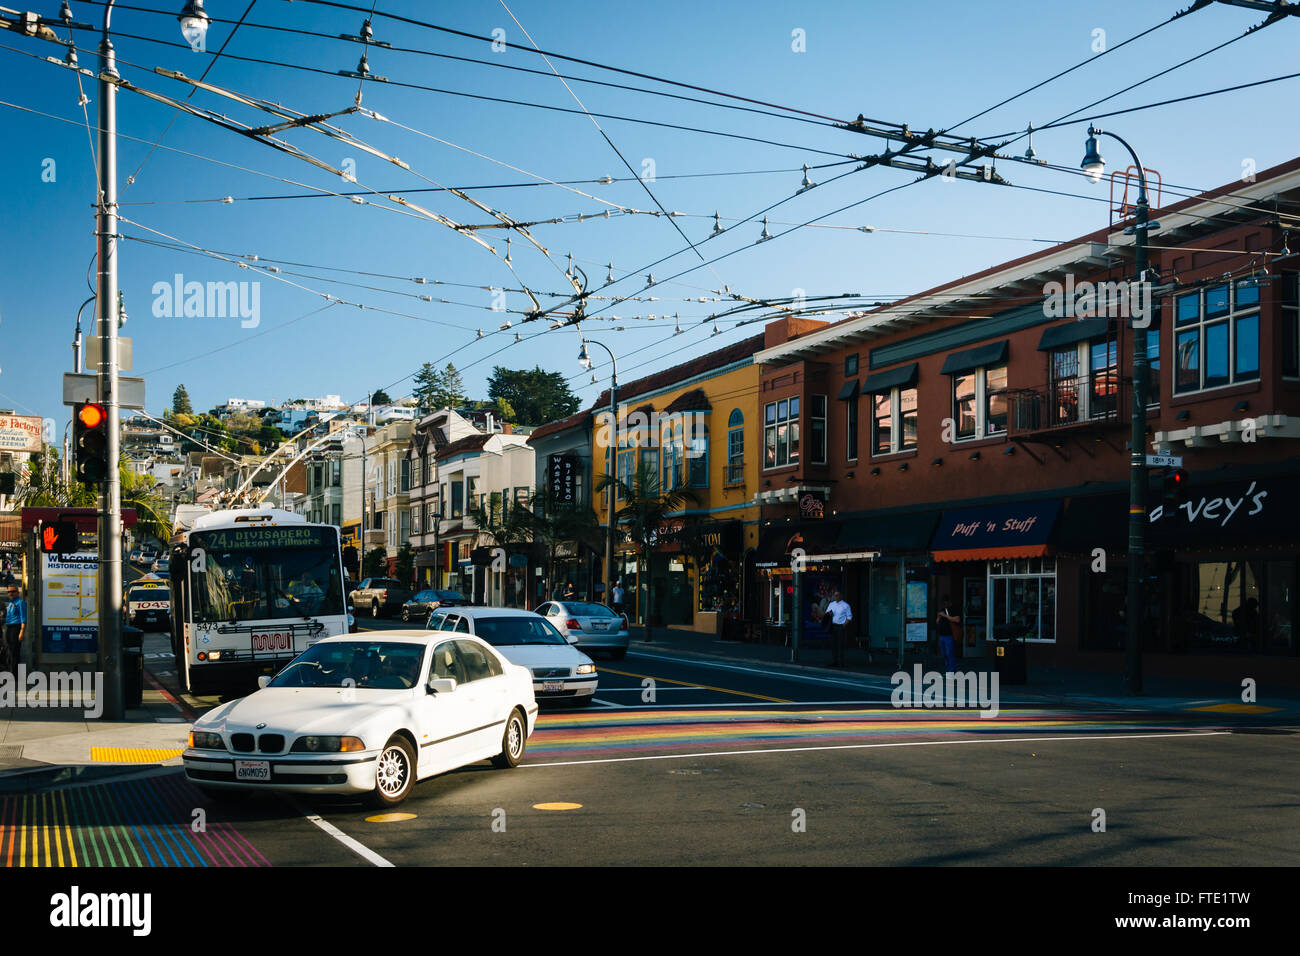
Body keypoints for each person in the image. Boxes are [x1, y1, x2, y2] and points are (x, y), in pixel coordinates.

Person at [825, 590, 852, 667]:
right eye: (835, 595)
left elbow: (849, 617)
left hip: (840, 626)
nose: (836, 597)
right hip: (833, 626)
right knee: (834, 644)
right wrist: (829, 614)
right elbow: (827, 613)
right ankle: (835, 661)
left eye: (837, 595)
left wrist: (844, 625)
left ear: (841, 596)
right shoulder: (831, 604)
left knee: (840, 644)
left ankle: (841, 662)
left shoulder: (845, 605)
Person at [4, 584, 27, 671]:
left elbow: (23, 619)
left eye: (13, 591)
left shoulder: (20, 602)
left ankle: (15, 674)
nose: (11, 593)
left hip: (16, 628)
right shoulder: (11, 603)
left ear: (17, 592)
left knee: (15, 652)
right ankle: (12, 671)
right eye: (9, 592)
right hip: (9, 628)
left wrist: (21, 632)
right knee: (10, 651)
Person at [936, 596, 961, 673]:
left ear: (949, 602)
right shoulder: (942, 610)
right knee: (944, 654)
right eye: (943, 602)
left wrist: (945, 615)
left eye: (946, 602)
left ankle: (952, 671)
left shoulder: (954, 610)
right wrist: (939, 617)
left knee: (950, 654)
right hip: (941, 636)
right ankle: (948, 670)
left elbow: (957, 620)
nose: (944, 604)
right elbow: (937, 622)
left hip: (949, 636)